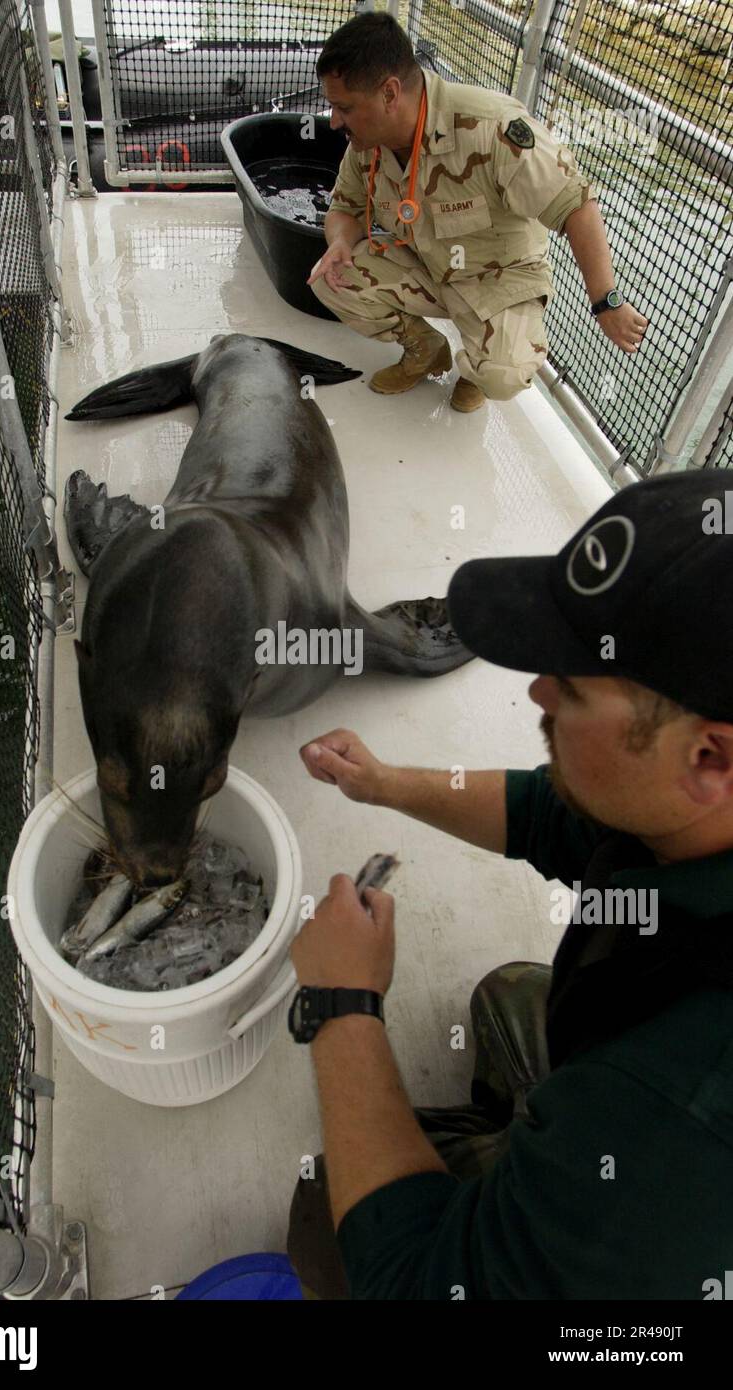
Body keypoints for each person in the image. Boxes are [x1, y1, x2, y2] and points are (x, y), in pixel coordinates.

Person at [286, 468, 733, 1299]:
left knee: (328, 1211)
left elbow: (421, 1287)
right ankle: (538, 1134)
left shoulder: (683, 1112)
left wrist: (339, 1004)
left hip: (654, 1219)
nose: (533, 691)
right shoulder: (693, 809)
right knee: (509, 997)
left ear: (709, 758)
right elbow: (557, 818)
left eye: (566, 687)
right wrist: (382, 781)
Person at [308, 12, 648, 412]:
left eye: (343, 107)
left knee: (502, 374)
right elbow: (344, 208)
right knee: (328, 280)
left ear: (389, 93)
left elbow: (576, 204)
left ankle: (475, 370)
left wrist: (605, 301)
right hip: (428, 265)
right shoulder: (369, 143)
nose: (333, 121)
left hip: (497, 277)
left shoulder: (492, 127)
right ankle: (426, 349)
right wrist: (340, 244)